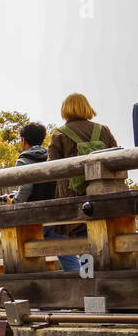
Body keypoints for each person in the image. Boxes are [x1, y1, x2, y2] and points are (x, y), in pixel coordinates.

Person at [46, 93, 120, 272]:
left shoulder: (59, 134)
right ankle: (111, 280)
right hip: (106, 196)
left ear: (65, 110)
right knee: (109, 241)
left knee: (85, 242)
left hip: (76, 198)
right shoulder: (103, 130)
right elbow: (117, 157)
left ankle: (90, 281)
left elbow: (50, 168)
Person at [8, 122, 55, 204]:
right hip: (53, 204)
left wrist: (13, 202)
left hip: (33, 208)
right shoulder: (51, 156)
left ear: (23, 140)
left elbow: (26, 188)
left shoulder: (23, 161)